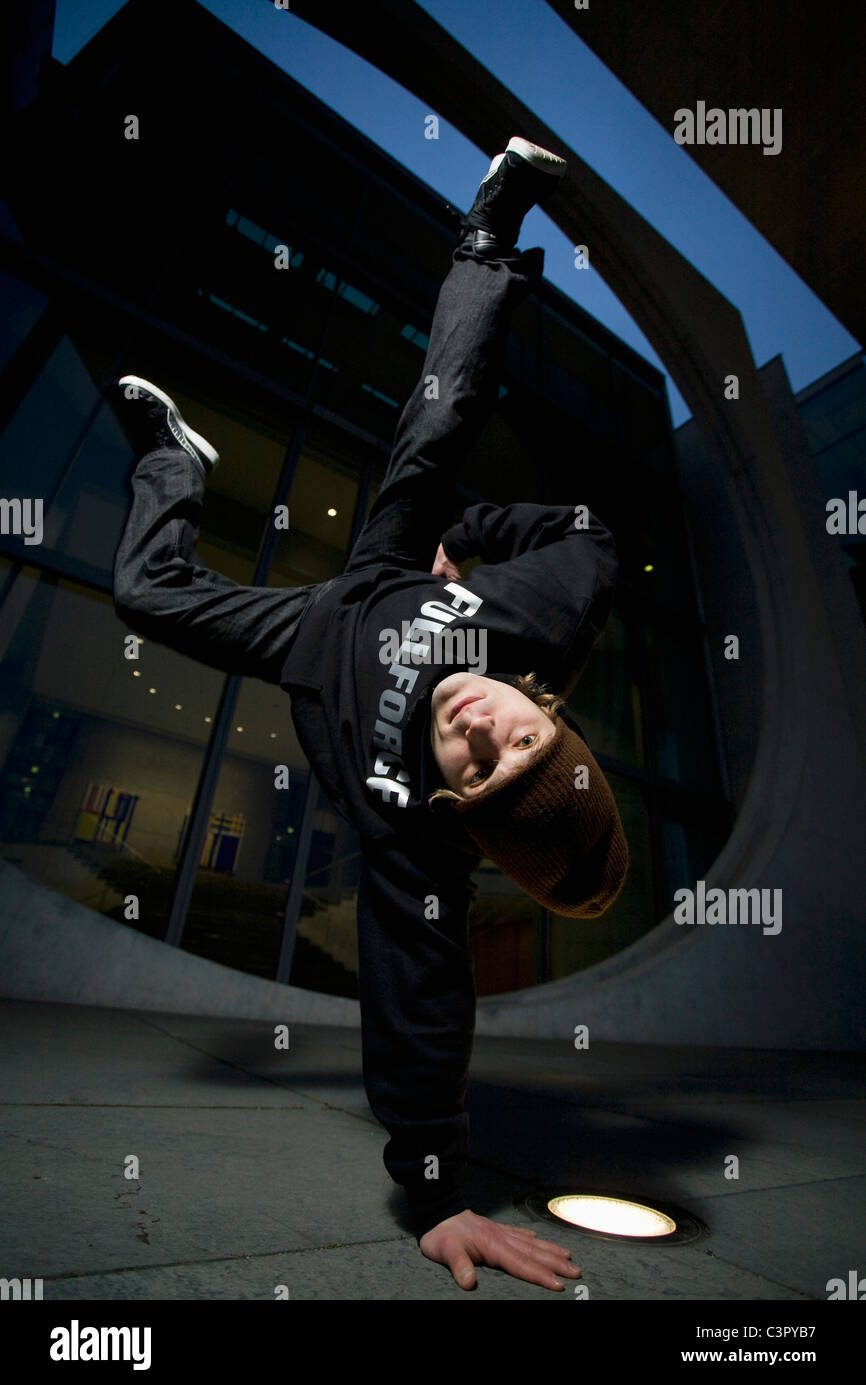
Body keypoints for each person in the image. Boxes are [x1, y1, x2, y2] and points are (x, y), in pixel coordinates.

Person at [113, 137, 628, 1292]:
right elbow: (592, 530)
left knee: (144, 593)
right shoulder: (542, 626)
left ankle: (171, 463)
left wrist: (439, 1197)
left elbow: (422, 1004)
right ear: (547, 705)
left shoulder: (416, 850)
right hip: (394, 568)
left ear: (458, 805)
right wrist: (475, 536)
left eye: (485, 765)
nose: (483, 721)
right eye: (527, 730)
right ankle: (492, 227)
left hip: (312, 648)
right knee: (435, 420)